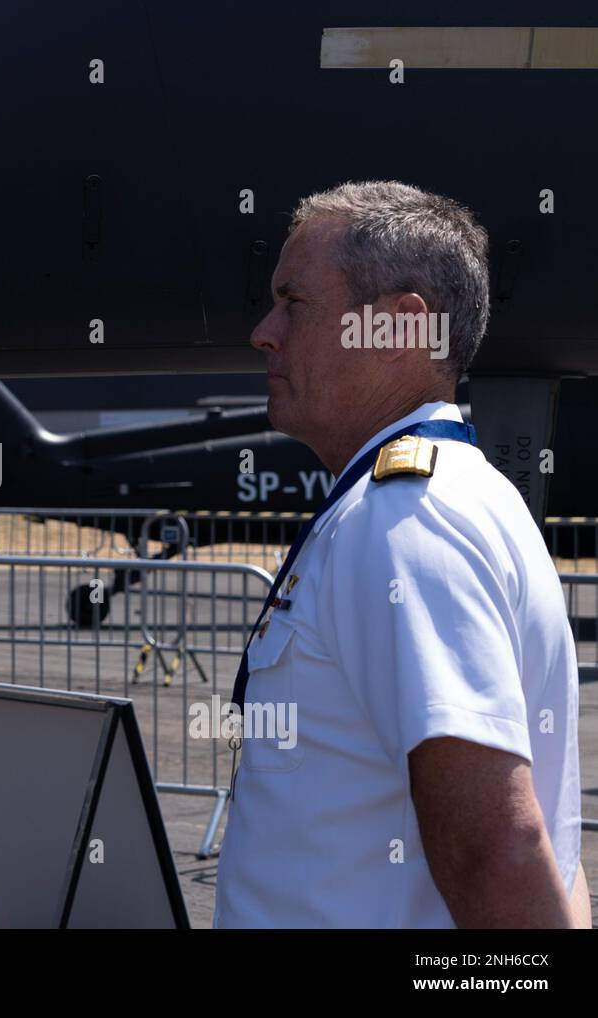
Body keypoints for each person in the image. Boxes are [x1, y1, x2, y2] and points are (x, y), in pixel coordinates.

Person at [214, 180, 588, 929]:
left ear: (396, 330)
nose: (263, 331)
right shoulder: (435, 500)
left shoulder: (408, 519)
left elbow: (502, 853)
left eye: (295, 303)